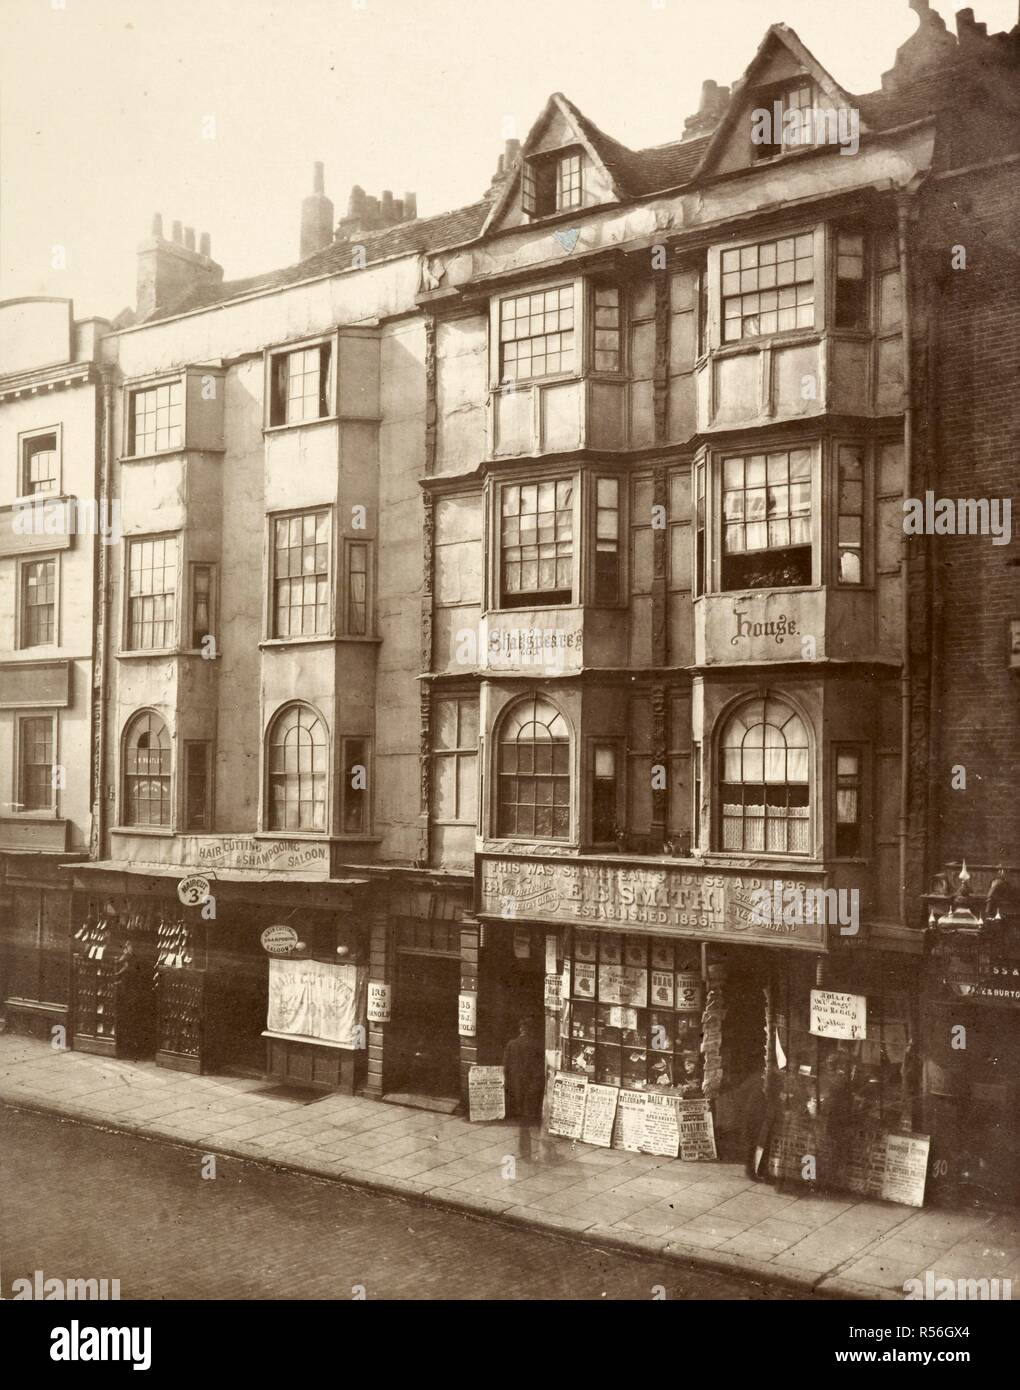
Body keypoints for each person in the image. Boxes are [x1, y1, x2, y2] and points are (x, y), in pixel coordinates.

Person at [502, 1015, 545, 1122]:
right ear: (531, 1030)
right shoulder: (536, 1044)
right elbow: (540, 1063)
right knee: (529, 1098)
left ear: (520, 1029)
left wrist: (507, 1076)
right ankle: (528, 1116)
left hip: (515, 1077)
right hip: (531, 1077)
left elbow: (505, 1063)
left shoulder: (511, 1044)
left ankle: (518, 1115)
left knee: (517, 1095)